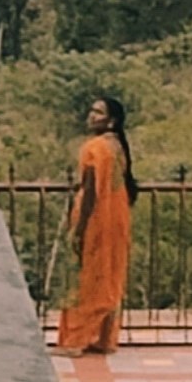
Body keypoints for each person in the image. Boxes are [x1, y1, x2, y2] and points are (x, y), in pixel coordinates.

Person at [55, 91, 138, 356]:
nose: (92, 116)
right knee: (110, 274)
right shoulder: (117, 147)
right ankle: (104, 338)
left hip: (97, 219)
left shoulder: (95, 148)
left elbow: (90, 191)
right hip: (117, 219)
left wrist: (79, 228)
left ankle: (75, 340)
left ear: (111, 121)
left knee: (87, 277)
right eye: (92, 110)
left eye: (98, 113)